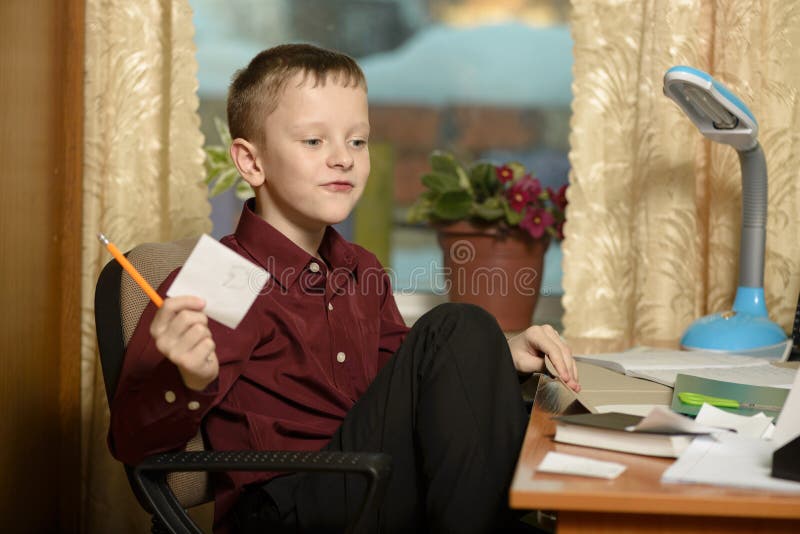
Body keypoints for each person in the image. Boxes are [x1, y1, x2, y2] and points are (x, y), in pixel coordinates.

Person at [109, 43, 581, 534]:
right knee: (460, 321)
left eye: (358, 142)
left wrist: (495, 356)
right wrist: (186, 380)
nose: (342, 159)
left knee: (473, 336)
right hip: (289, 507)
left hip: (375, 484)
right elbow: (136, 447)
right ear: (251, 163)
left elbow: (407, 382)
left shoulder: (361, 269)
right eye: (314, 141)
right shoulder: (223, 274)